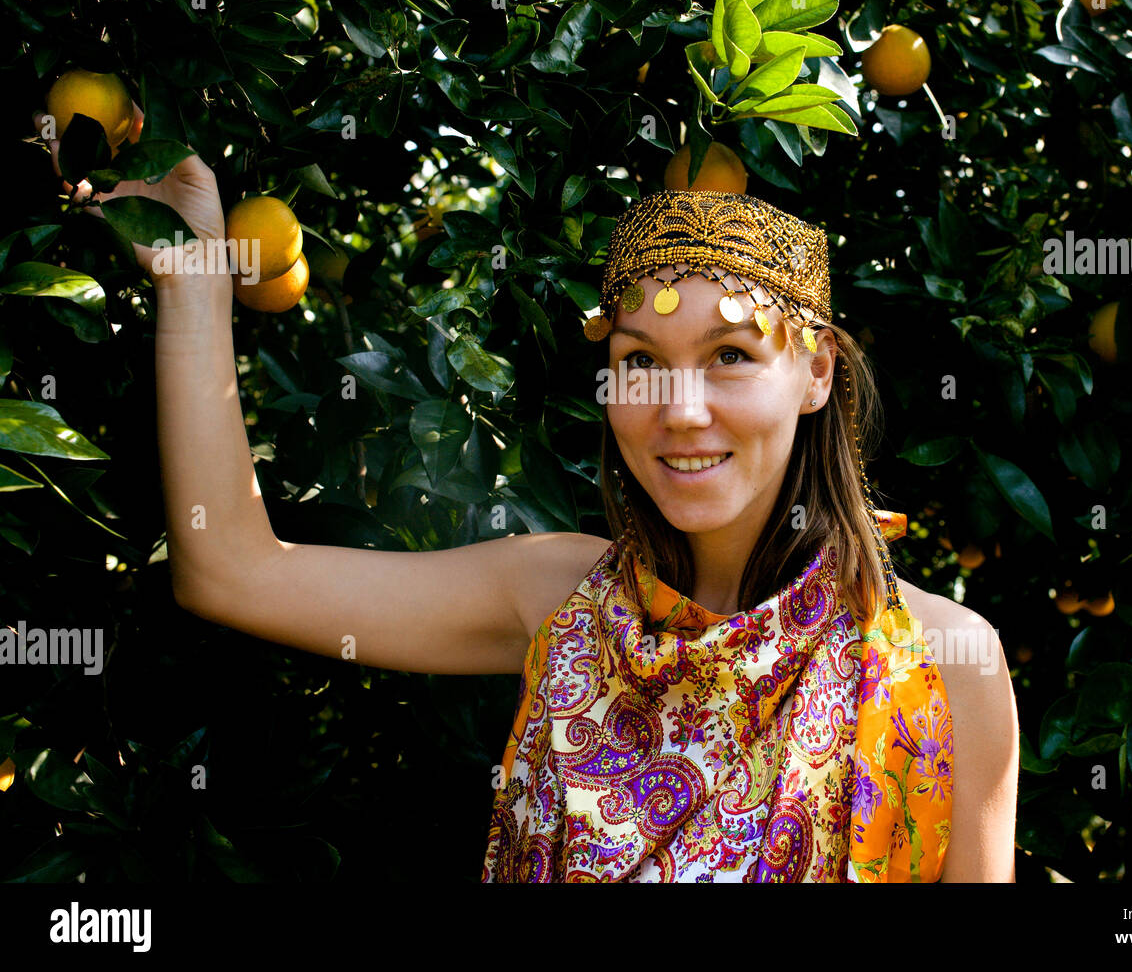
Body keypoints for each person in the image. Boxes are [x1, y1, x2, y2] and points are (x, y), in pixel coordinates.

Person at [51, 125, 1018, 882]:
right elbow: (230, 571)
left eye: (731, 356)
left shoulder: (946, 665)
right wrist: (191, 280)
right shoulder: (556, 598)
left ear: (814, 373)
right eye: (639, 362)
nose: (679, 412)